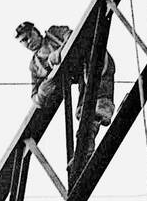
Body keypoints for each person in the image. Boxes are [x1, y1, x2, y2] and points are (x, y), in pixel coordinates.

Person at [15, 21, 116, 163]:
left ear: (36, 32)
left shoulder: (53, 32)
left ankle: (102, 113)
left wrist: (61, 51)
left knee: (99, 102)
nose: (28, 42)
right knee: (84, 113)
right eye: (23, 41)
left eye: (29, 36)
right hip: (81, 77)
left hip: (93, 62)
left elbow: (74, 36)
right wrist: (43, 92)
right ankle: (85, 153)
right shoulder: (35, 65)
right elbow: (35, 97)